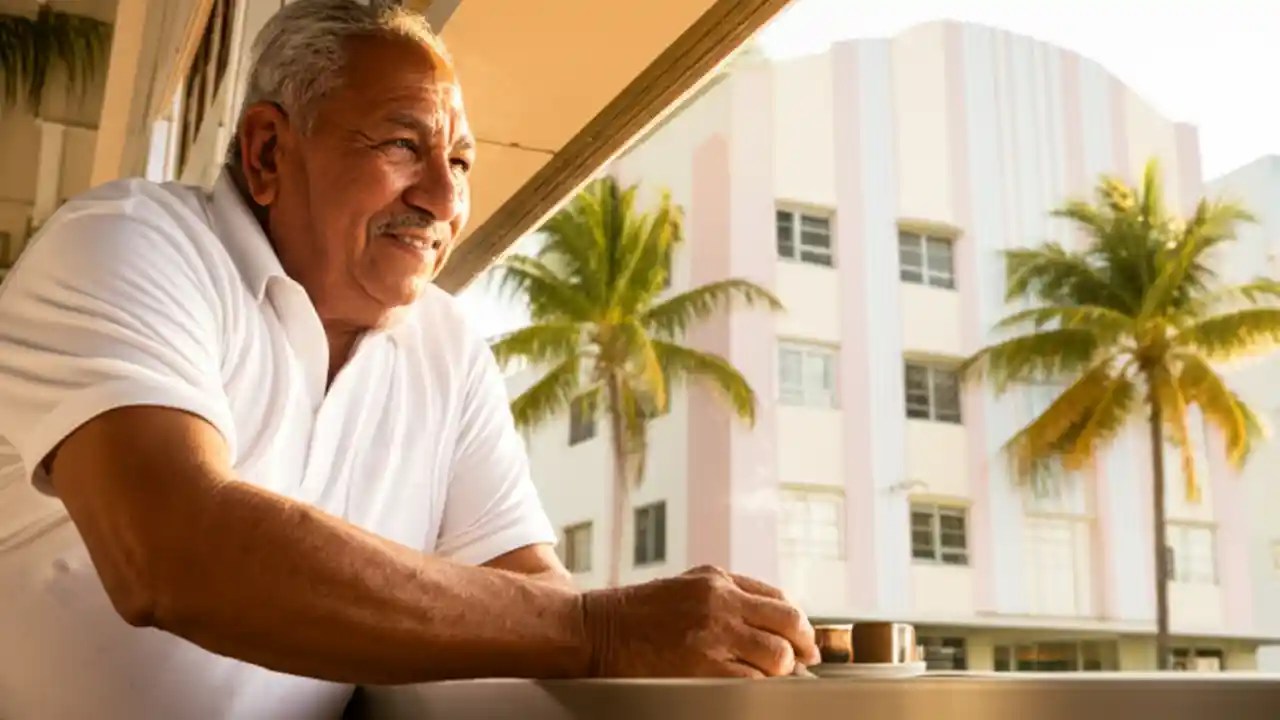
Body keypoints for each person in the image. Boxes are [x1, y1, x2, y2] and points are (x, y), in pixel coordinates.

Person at [0, 1, 819, 717]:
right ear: (267, 153)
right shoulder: (128, 245)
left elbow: (529, 589)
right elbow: (173, 553)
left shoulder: (447, 344)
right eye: (402, 145)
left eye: (458, 161)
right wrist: (603, 630)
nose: (445, 199)